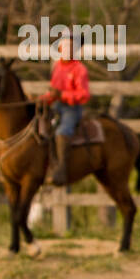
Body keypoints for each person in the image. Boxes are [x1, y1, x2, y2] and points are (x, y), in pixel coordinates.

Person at [39, 33, 90, 186]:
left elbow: (83, 94)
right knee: (42, 127)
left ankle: (61, 169)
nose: (66, 49)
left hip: (72, 108)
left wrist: (62, 94)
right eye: (64, 46)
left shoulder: (79, 69)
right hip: (57, 105)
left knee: (63, 131)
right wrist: (42, 98)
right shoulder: (58, 67)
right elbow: (53, 91)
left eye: (70, 47)